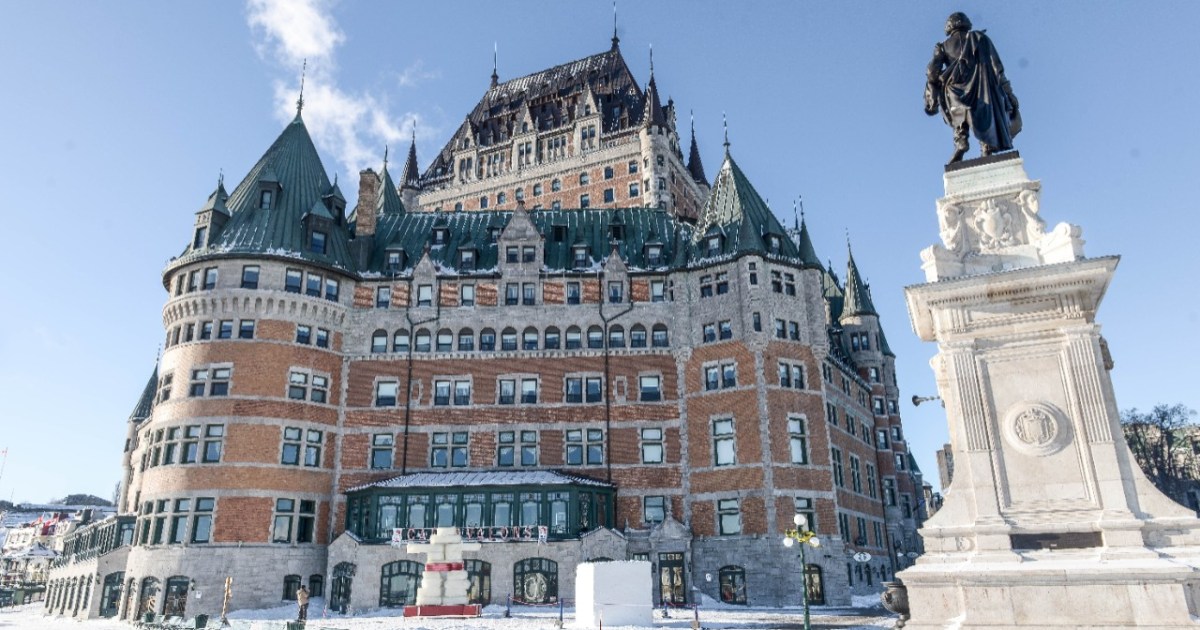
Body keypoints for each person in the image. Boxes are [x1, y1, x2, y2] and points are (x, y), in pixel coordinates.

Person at [924, 12, 1021, 163]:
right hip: (981, 88)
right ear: (967, 23)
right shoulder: (980, 38)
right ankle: (986, 147)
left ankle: (961, 140)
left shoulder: (943, 47)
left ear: (948, 28)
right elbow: (997, 68)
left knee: (957, 111)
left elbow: (931, 73)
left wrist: (937, 56)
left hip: (954, 91)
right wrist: (1009, 92)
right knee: (985, 112)